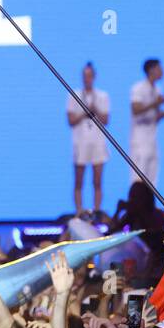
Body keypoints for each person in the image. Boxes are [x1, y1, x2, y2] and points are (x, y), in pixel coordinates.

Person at [66, 63, 110, 217]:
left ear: (94, 77)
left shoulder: (102, 96)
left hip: (98, 142)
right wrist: (84, 112)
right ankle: (79, 212)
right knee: (79, 180)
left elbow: (106, 119)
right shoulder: (74, 95)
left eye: (90, 75)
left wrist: (95, 109)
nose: (87, 79)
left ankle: (96, 211)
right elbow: (70, 120)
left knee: (97, 180)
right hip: (81, 142)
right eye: (85, 76)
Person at [128, 58, 164, 189]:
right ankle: (136, 206)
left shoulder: (157, 89)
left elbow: (155, 116)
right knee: (138, 176)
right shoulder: (138, 88)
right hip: (140, 138)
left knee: (152, 176)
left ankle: (150, 207)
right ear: (151, 70)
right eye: (159, 68)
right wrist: (155, 103)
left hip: (152, 138)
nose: (162, 71)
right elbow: (136, 109)